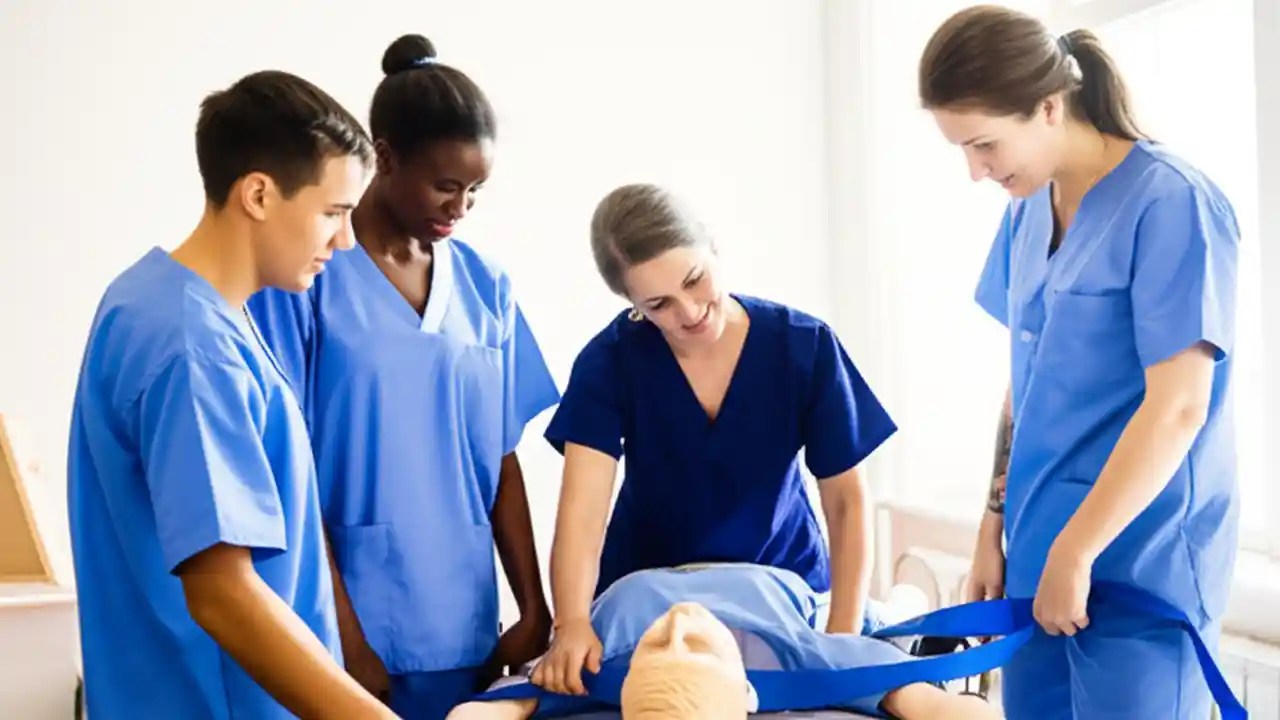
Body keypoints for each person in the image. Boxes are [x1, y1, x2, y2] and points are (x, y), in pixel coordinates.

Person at [917, 6, 1240, 719]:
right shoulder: (1027, 208)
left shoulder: (1172, 203)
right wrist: (992, 528)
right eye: (962, 150)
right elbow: (1024, 383)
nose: (976, 171)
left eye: (984, 145)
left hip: (1139, 569)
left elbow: (1180, 405)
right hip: (1039, 557)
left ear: (1048, 106)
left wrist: (1078, 550)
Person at [247, 34, 560, 720]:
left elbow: (500, 458)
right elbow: (286, 467)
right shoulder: (306, 282)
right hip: (349, 634)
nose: (460, 208)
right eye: (445, 186)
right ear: (383, 158)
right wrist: (345, 639)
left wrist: (534, 606)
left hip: (468, 631)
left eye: (475, 191)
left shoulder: (486, 286)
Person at [66, 70, 397, 719]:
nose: (347, 241)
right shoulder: (192, 346)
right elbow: (223, 593)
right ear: (259, 194)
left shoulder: (152, 302)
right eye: (334, 213)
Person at [532, 183, 898, 696]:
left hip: (781, 589)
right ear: (632, 305)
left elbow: (846, 502)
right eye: (658, 304)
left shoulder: (803, 345)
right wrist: (571, 623)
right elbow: (582, 511)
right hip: (651, 606)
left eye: (694, 279)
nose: (689, 312)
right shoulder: (610, 361)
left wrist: (841, 635)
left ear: (712, 247)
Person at [447, 564, 1002, 720]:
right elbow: (504, 702)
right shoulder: (603, 663)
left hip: (776, 592)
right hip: (648, 591)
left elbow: (507, 700)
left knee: (875, 619)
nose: (680, 629)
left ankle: (901, 603)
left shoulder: (796, 654)